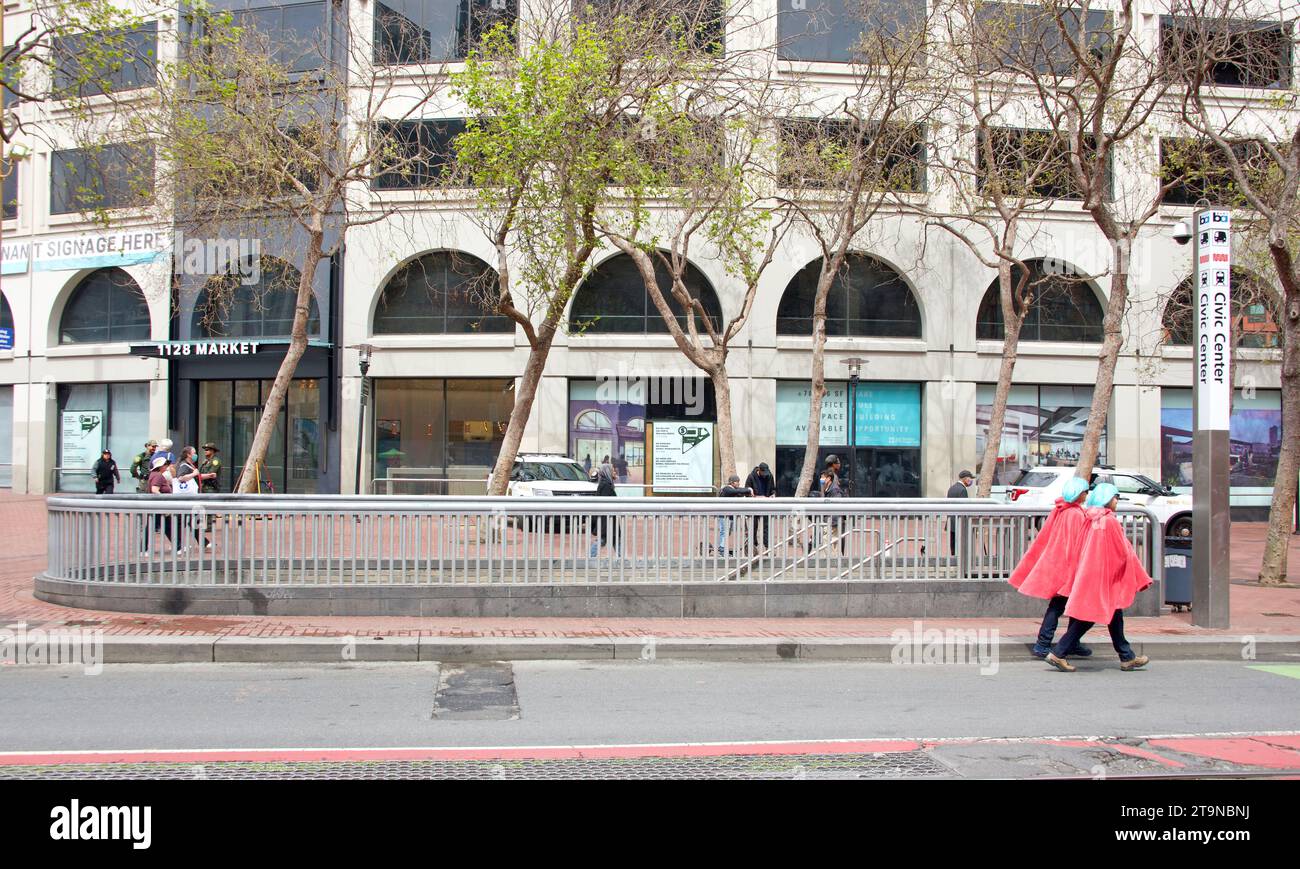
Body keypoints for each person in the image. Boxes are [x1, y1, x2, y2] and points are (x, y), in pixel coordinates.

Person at [1045, 483, 1153, 672]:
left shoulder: (1090, 518)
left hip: (1092, 573)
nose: (1116, 501)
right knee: (1089, 617)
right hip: (1105, 576)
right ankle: (1058, 652)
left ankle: (1127, 656)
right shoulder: (1108, 520)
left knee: (1114, 616)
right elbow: (1121, 551)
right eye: (1115, 497)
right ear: (1106, 499)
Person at [1008, 476, 1093, 659]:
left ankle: (1068, 642)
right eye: (1085, 492)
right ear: (1079, 494)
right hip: (1069, 567)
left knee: (1062, 606)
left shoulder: (1061, 510)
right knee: (1061, 606)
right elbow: (1077, 543)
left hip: (1059, 565)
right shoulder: (1076, 514)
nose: (1087, 495)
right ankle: (1044, 644)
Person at [589, 463, 620, 559]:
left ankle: (621, 558)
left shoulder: (605, 483)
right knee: (604, 539)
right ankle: (590, 557)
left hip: (607, 518)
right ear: (607, 472)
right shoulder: (606, 485)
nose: (614, 472)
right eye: (612, 470)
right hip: (606, 519)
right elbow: (606, 503)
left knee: (615, 538)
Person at [717, 474, 752, 555]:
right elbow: (737, 491)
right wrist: (748, 490)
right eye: (737, 482)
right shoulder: (727, 489)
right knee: (724, 531)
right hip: (723, 514)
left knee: (728, 532)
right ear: (732, 482)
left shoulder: (734, 489)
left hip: (730, 515)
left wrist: (748, 490)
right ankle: (722, 549)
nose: (739, 483)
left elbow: (740, 491)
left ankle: (723, 546)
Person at [146, 454, 175, 550]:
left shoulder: (156, 475)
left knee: (167, 527)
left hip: (158, 506)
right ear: (160, 466)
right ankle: (143, 548)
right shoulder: (157, 476)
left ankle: (177, 546)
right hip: (158, 506)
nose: (166, 466)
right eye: (165, 464)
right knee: (152, 527)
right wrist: (162, 503)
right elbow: (155, 490)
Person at [745, 462, 775, 550]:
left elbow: (773, 489)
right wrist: (757, 496)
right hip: (754, 504)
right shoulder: (751, 477)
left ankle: (767, 545)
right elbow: (747, 491)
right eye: (763, 473)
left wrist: (773, 494)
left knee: (766, 525)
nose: (765, 475)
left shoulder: (769, 476)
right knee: (754, 525)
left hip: (766, 504)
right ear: (759, 470)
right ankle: (753, 545)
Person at [947, 469, 974, 554]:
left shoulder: (952, 488)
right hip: (959, 521)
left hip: (951, 520)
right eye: (970, 478)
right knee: (960, 544)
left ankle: (953, 558)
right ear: (965, 479)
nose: (971, 481)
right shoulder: (962, 490)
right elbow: (964, 507)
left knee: (953, 543)